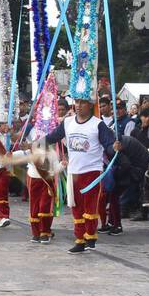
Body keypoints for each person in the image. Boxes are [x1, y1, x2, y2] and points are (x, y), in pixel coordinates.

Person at [45, 96, 115, 254]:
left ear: (90, 105)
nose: (78, 105)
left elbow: (108, 146)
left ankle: (90, 235)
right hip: (73, 172)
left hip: (92, 172)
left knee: (90, 207)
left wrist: (114, 147)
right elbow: (52, 137)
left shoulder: (98, 124)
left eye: (82, 102)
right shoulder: (67, 122)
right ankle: (80, 240)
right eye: (76, 102)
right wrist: (34, 144)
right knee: (76, 207)